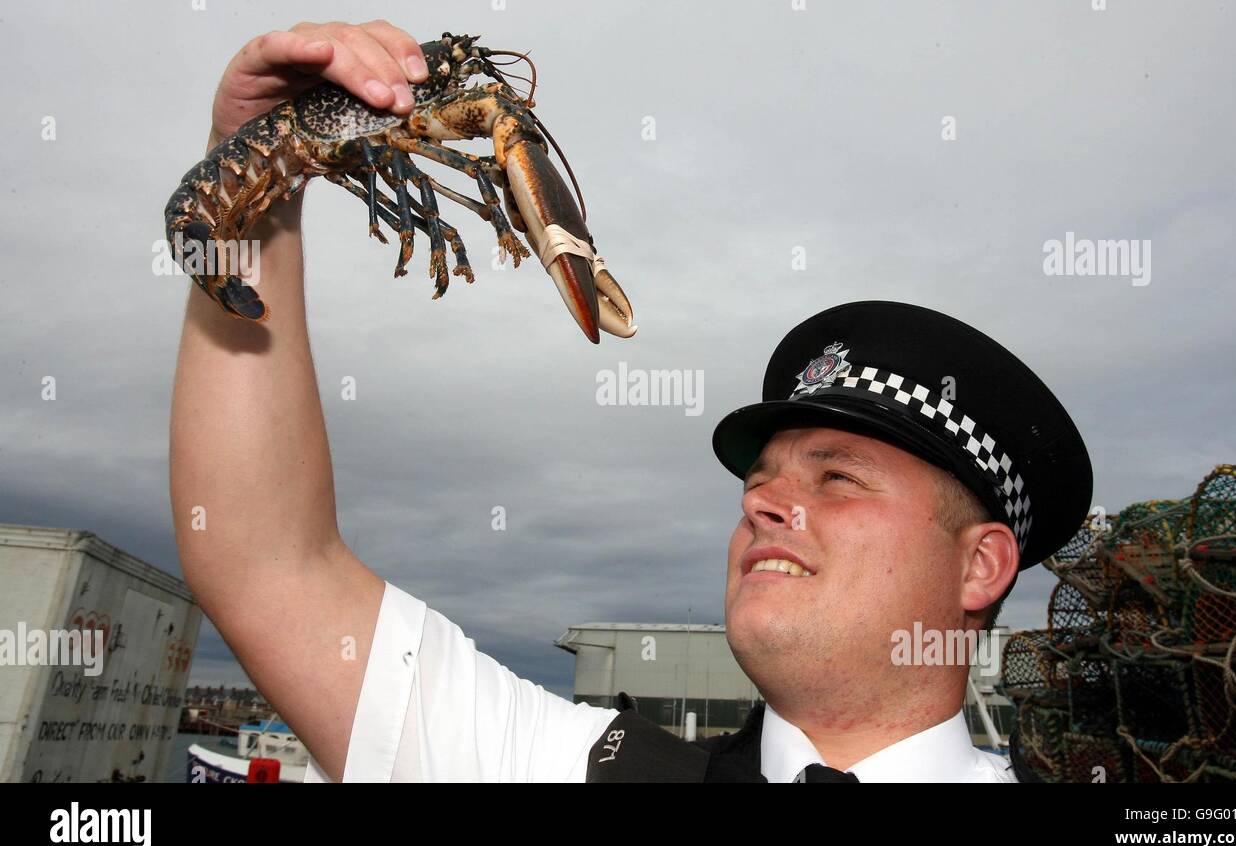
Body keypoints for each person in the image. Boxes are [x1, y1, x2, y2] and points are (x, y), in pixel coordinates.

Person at [170, 20, 1092, 783]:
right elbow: (265, 563)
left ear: (981, 567)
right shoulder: (578, 766)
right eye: (761, 480)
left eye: (840, 477)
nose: (761, 502)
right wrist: (252, 177)